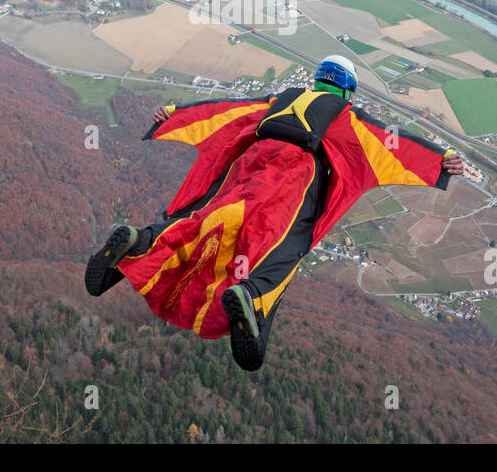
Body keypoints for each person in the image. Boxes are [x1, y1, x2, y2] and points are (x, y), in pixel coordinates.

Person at [85, 55, 465, 371]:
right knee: (282, 250)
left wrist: (173, 112)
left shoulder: (281, 98)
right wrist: (440, 160)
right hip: (292, 179)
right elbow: (388, 144)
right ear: (347, 89)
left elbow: (226, 112)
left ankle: (139, 244)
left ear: (318, 80)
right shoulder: (344, 115)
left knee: (201, 222)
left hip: (248, 166)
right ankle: (253, 297)